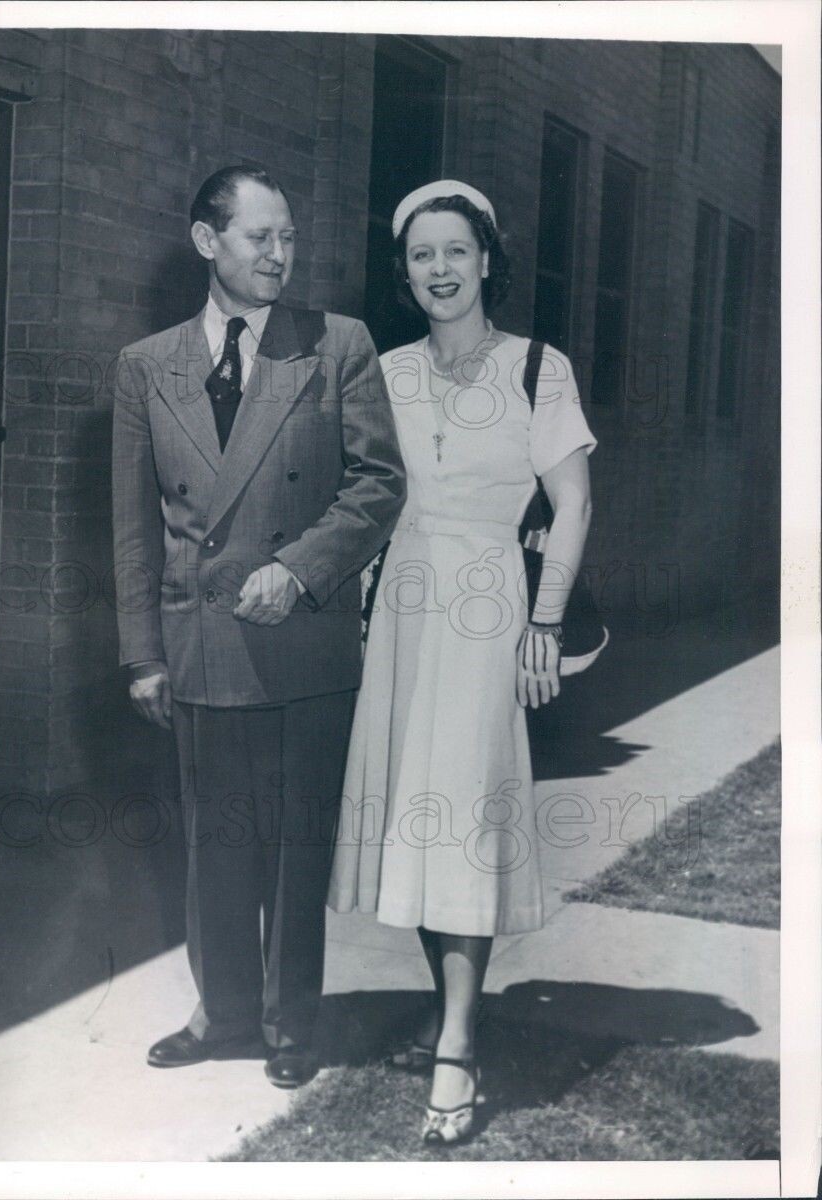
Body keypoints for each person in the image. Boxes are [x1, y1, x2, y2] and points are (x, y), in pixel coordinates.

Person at [112, 165, 405, 1089]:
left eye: (288, 239)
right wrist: (141, 656)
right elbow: (129, 525)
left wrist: (300, 567)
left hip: (301, 642)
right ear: (208, 241)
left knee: (293, 847)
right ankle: (225, 1014)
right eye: (258, 238)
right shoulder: (145, 365)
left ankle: (290, 1022)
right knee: (215, 845)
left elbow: (378, 483)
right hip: (199, 642)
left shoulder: (337, 344)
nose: (280, 255)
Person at [328, 181, 596, 1144]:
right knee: (416, 821)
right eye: (421, 256)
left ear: (488, 260)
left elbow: (570, 502)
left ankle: (457, 1041)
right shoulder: (382, 371)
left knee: (467, 817)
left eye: (457, 251)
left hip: (490, 615)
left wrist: (545, 622)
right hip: (398, 609)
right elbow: (361, 498)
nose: (440, 270)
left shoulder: (539, 369)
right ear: (404, 273)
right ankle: (450, 1013)